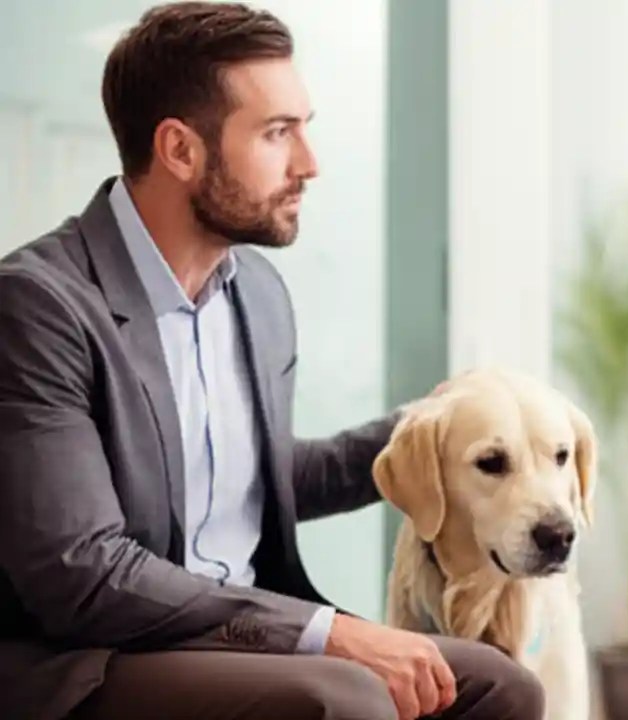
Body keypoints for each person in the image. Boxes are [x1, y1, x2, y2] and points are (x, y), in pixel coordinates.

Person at [0, 3, 543, 720]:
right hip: (96, 656)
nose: (308, 164)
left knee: (501, 686)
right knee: (345, 699)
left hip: (236, 640)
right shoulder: (39, 306)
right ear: (180, 149)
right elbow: (84, 575)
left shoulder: (254, 293)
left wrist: (431, 427)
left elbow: (248, 478)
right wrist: (328, 633)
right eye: (277, 133)